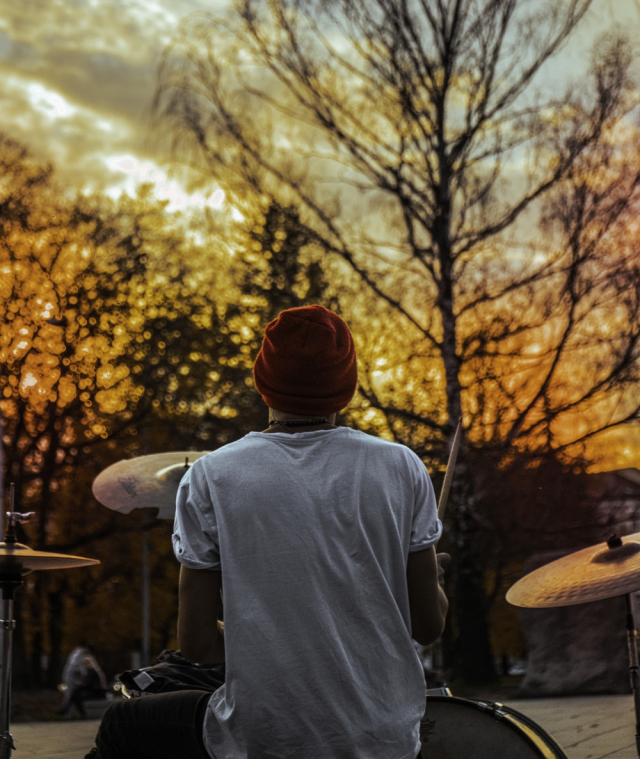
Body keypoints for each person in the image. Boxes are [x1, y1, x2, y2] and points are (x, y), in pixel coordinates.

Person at [87, 305, 448, 759]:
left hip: (266, 736)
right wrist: (431, 579)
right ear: (346, 386)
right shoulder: (401, 466)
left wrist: (263, 639)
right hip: (384, 736)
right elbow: (428, 625)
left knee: (122, 724)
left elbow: (196, 643)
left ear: (262, 381)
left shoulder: (211, 475)